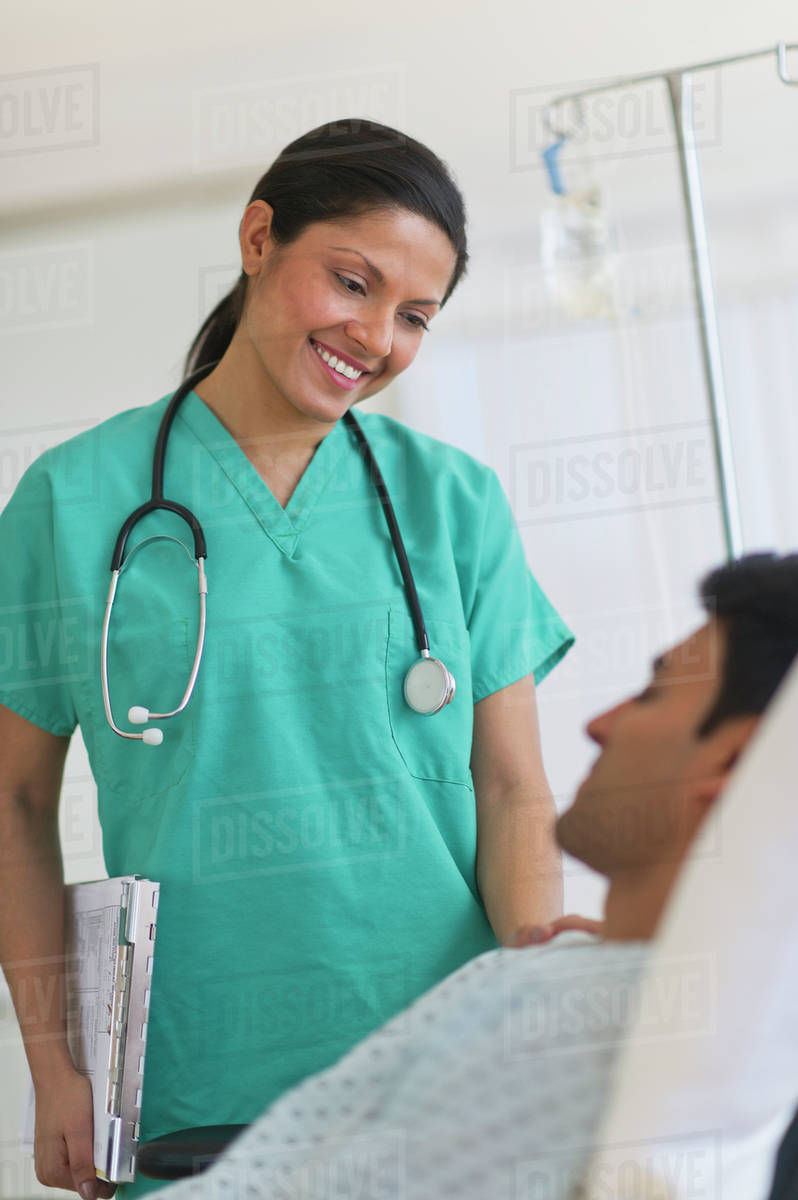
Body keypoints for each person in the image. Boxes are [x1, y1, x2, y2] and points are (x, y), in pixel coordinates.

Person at [0, 118, 574, 1199]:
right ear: (260, 237)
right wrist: (54, 1069)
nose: (376, 336)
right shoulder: (69, 501)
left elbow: (511, 790)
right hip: (191, 1089)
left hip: (450, 1079)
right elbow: (14, 807)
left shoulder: (455, 504)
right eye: (351, 282)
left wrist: (542, 988)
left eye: (416, 317)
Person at [136, 551, 798, 1200]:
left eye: (652, 695)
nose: (597, 723)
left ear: (735, 761)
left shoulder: (578, 1033)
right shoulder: (578, 978)